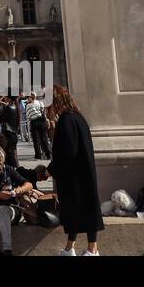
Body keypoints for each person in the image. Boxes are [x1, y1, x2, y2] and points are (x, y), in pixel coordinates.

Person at [47, 85, 104, 255]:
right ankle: (70, 247)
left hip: (74, 176)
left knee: (82, 210)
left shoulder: (67, 120)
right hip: (81, 173)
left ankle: (92, 250)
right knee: (78, 211)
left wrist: (50, 170)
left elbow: (66, 153)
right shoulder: (77, 117)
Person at [25, 92, 51, 160]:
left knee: (36, 140)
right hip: (42, 121)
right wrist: (47, 121)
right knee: (44, 139)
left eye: (28, 97)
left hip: (34, 122)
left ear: (31, 98)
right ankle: (48, 154)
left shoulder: (28, 106)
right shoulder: (40, 103)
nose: (28, 99)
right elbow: (44, 113)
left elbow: (28, 116)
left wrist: (29, 124)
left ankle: (38, 155)